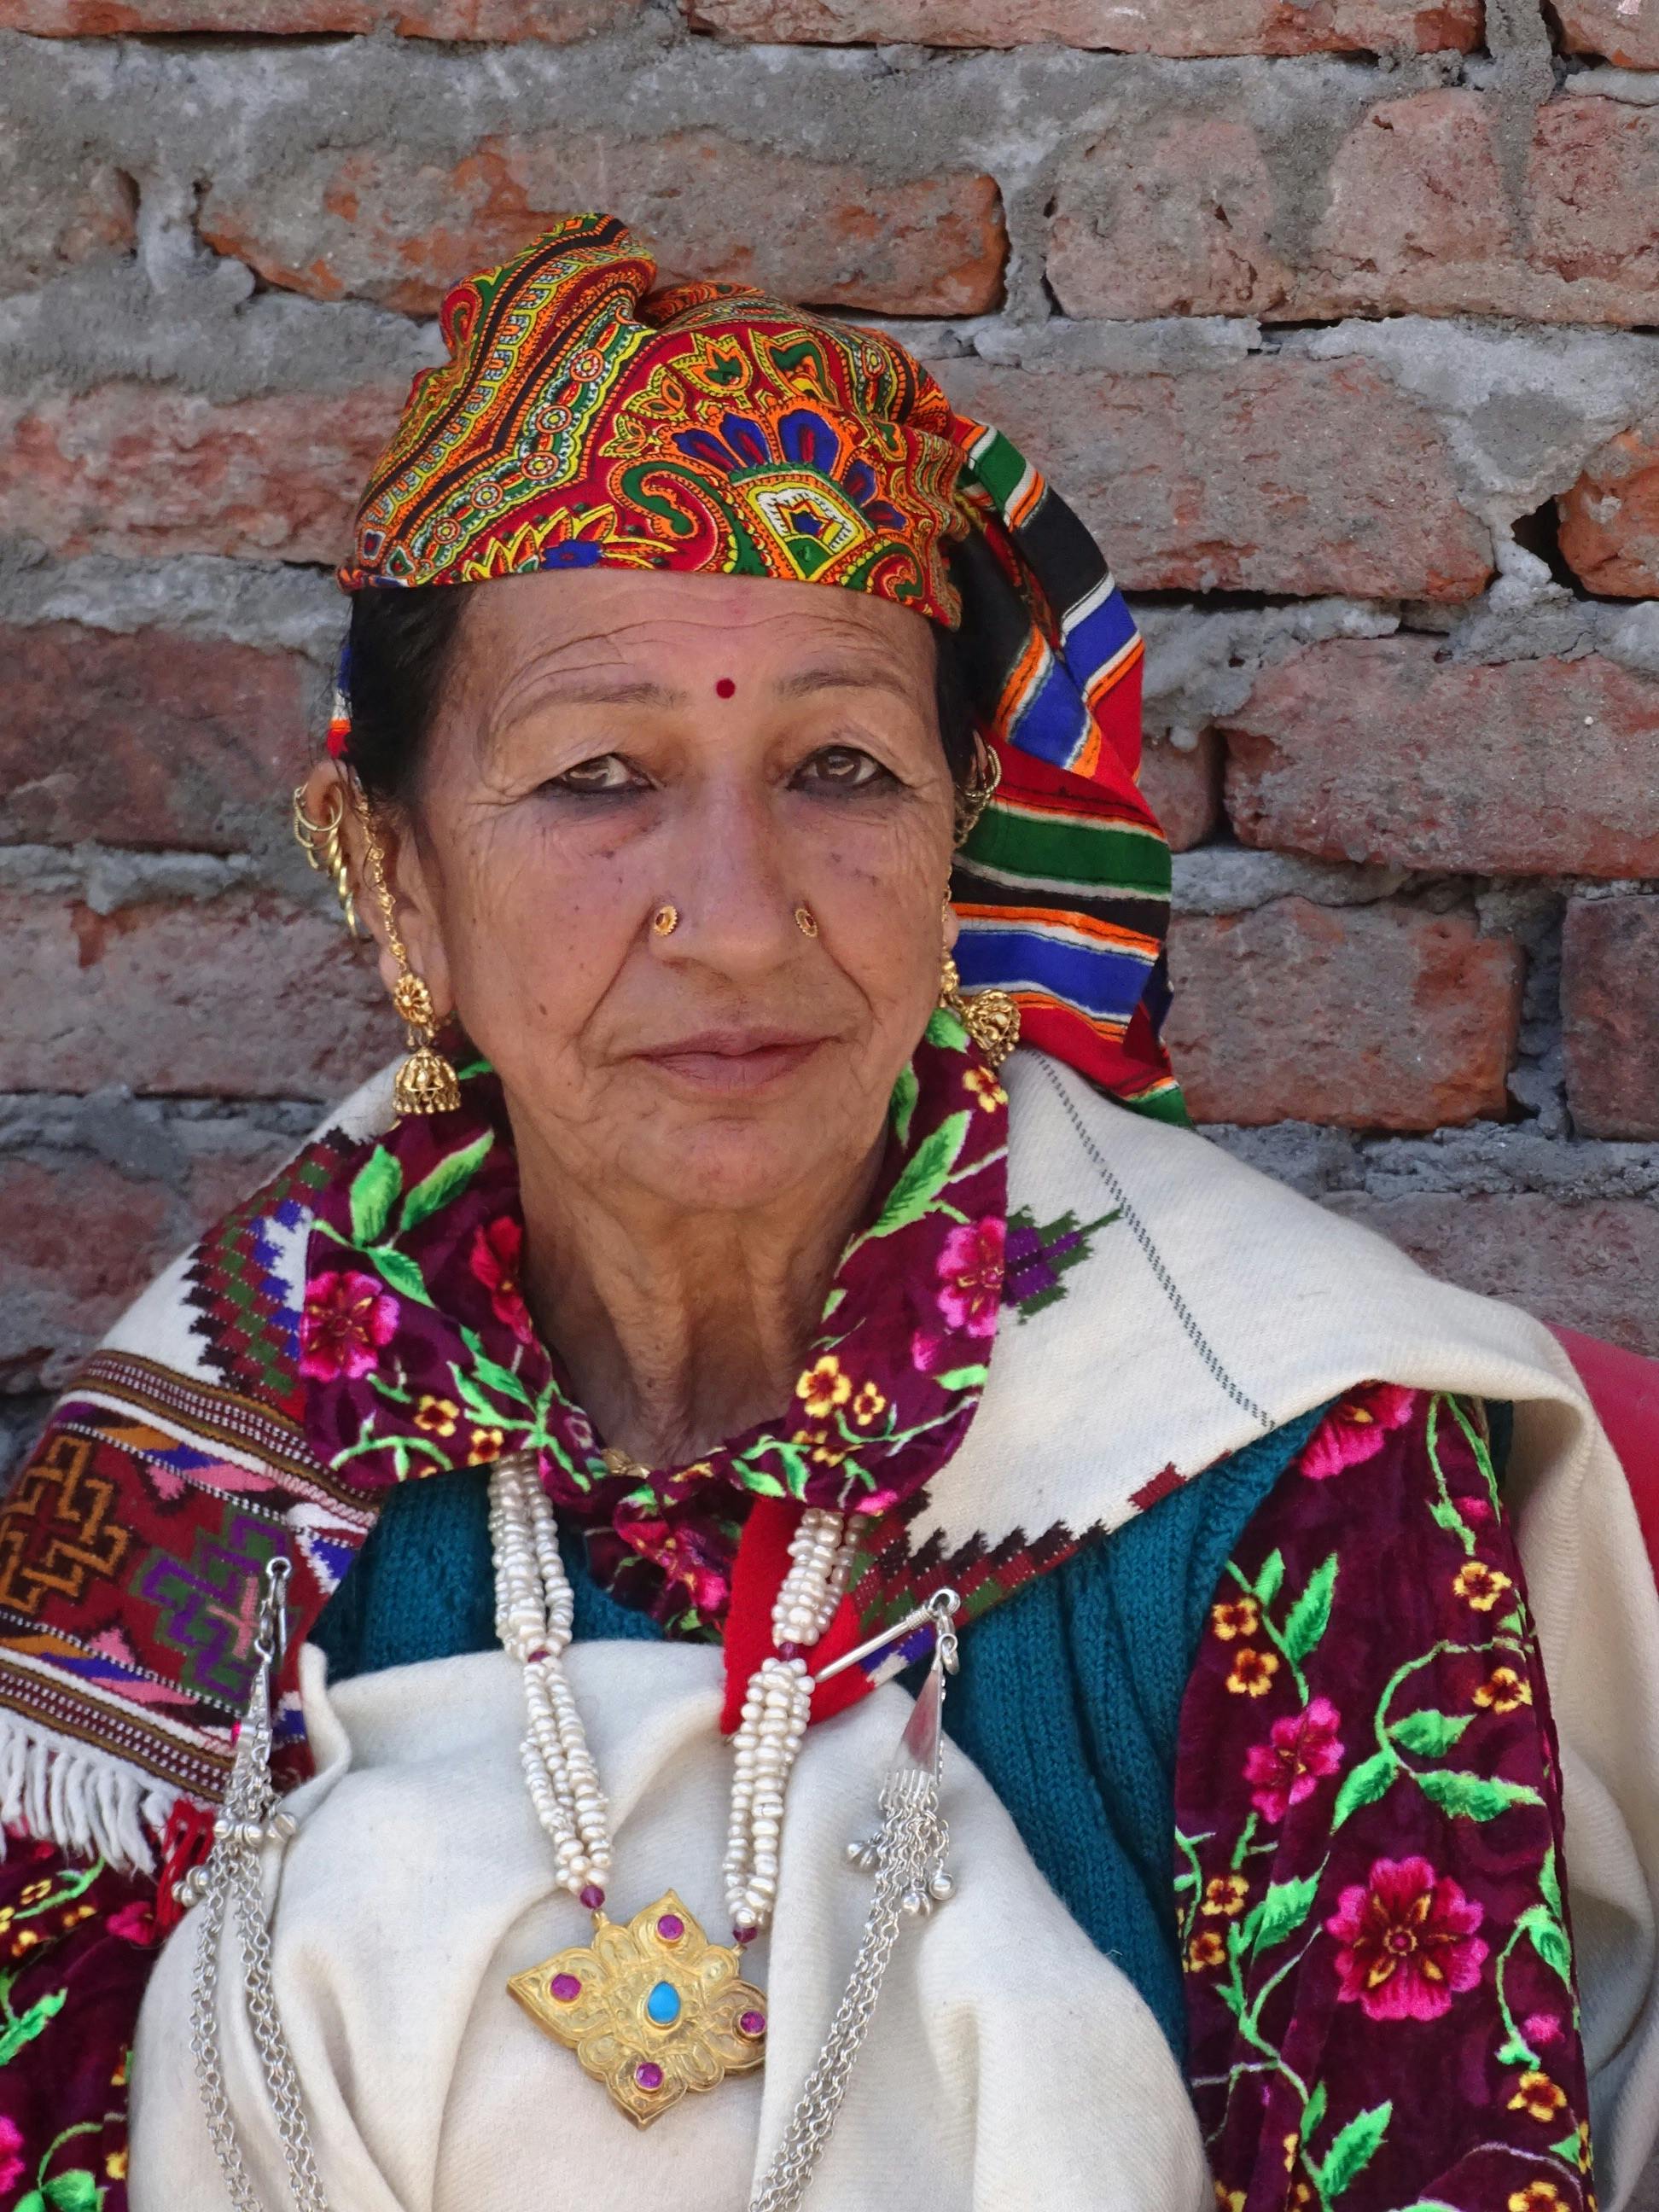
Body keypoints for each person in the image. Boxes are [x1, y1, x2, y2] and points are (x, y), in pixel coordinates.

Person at [2, 211, 1657, 2212]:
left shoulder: (1284, 1446)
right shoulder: (204, 1474)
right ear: (396, 879)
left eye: (843, 770)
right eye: (602, 776)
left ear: (960, 835)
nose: (743, 915)